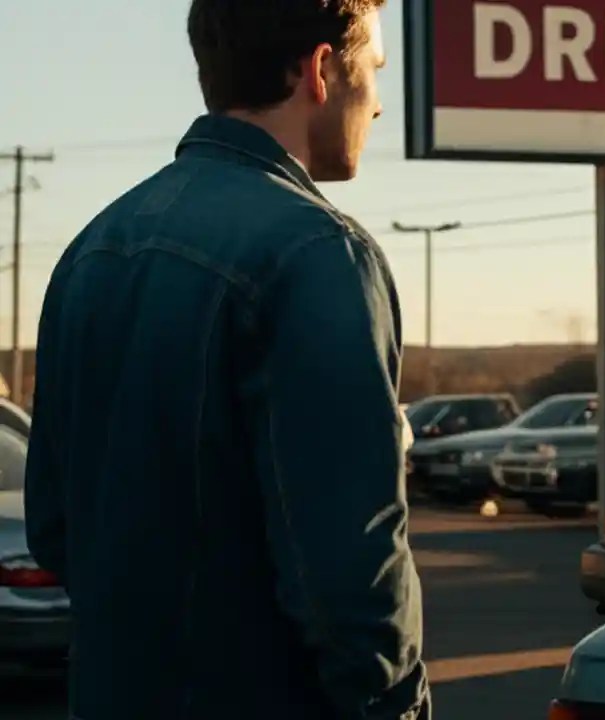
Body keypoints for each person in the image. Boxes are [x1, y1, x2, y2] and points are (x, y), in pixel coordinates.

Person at [23, 1, 429, 718]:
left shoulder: (93, 248)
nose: (379, 105)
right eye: (374, 70)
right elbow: (349, 572)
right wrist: (397, 704)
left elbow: (54, 526)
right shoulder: (319, 252)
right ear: (322, 69)